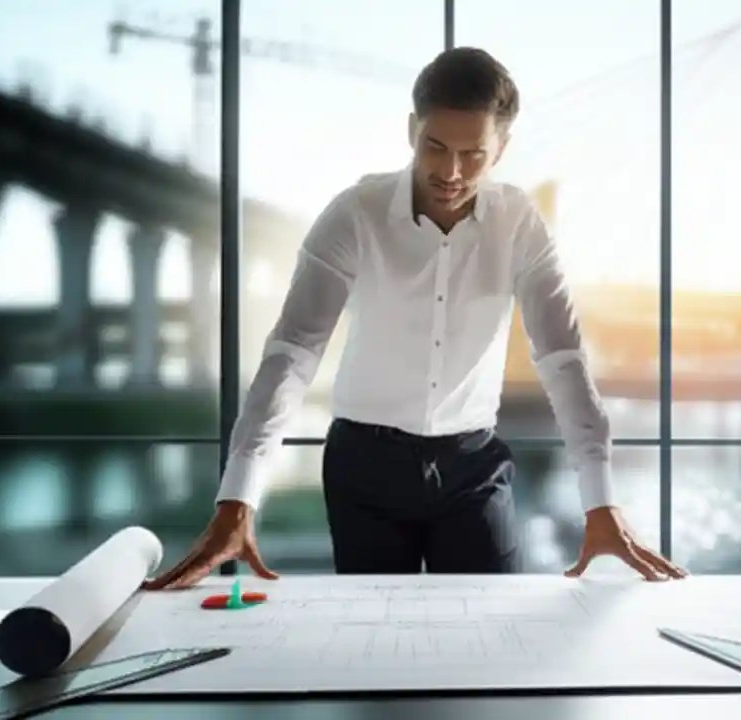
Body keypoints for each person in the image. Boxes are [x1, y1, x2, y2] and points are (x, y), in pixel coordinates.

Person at [144, 47, 687, 590]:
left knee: (492, 639)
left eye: (473, 154)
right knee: (377, 648)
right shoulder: (355, 213)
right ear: (411, 131)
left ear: (501, 149)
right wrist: (239, 495)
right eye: (436, 147)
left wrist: (600, 499)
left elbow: (563, 358)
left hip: (473, 466)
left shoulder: (520, 223)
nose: (451, 172)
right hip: (364, 467)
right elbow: (292, 354)